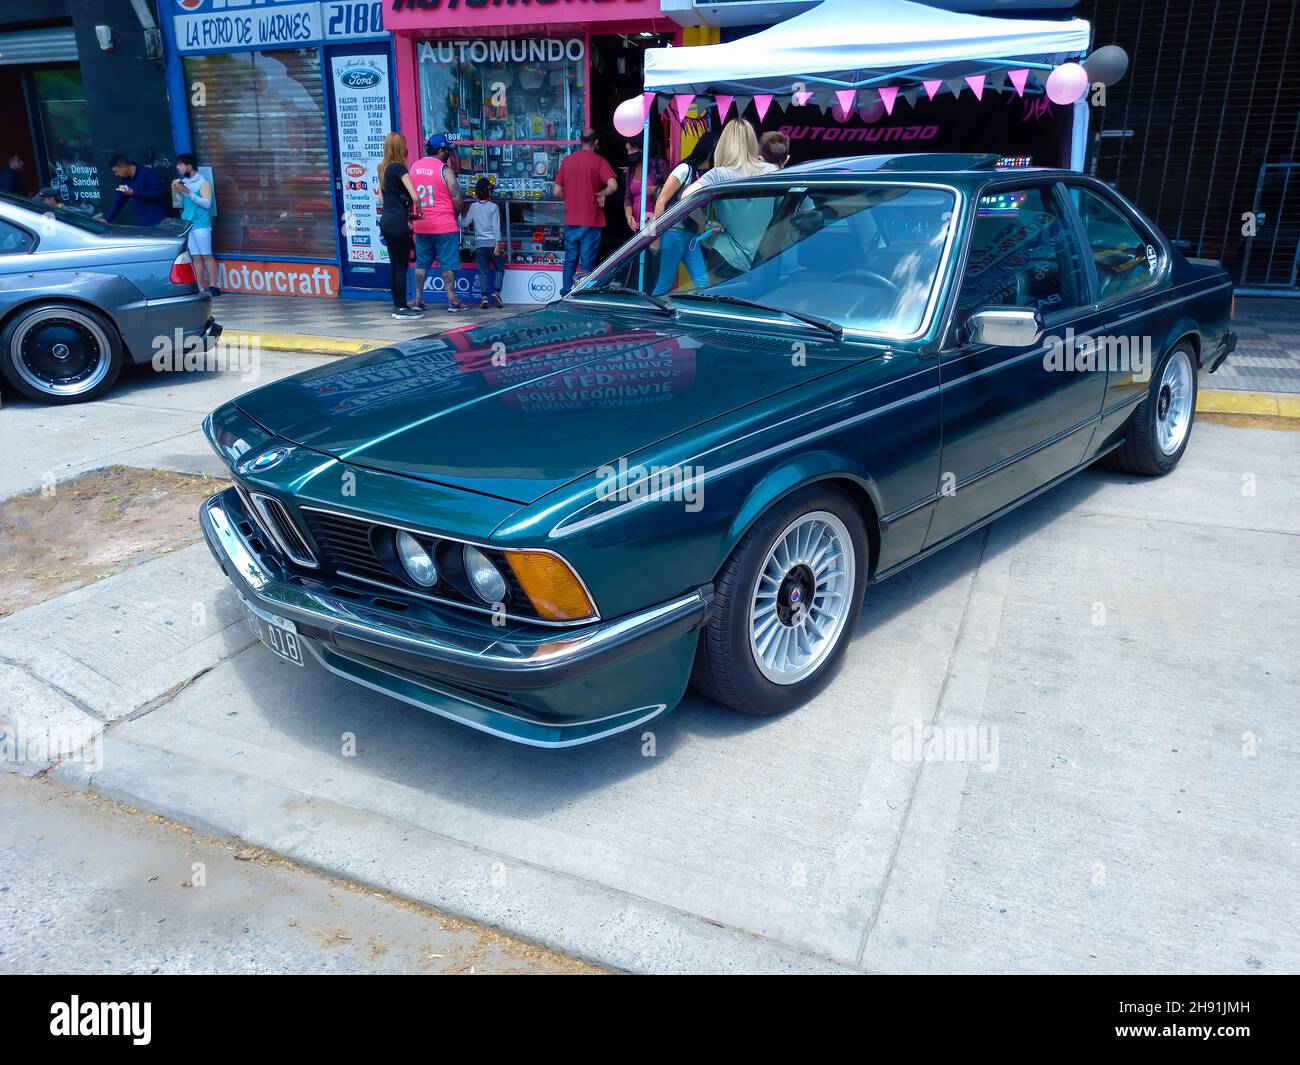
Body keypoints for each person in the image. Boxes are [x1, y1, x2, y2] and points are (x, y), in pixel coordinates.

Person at [681, 119, 778, 275]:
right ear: (752, 142)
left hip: (726, 256)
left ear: (724, 144)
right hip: (766, 257)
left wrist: (706, 223)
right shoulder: (771, 170)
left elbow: (686, 198)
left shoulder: (719, 174)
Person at [649, 130, 717, 296]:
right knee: (665, 284)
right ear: (710, 152)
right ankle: (649, 317)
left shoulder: (703, 174)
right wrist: (656, 237)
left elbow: (694, 209)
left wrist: (706, 225)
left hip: (690, 235)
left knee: (702, 284)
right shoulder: (685, 169)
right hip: (673, 234)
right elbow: (661, 200)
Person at [553, 128, 617, 296]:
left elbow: (556, 191)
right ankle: (583, 294)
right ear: (595, 142)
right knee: (587, 263)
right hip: (591, 220)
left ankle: (566, 294)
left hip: (571, 219)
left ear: (580, 141)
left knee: (570, 260)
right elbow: (613, 186)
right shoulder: (599, 161)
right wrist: (602, 193)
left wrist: (570, 199)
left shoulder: (567, 161)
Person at [408, 133, 466, 313]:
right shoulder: (445, 170)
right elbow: (457, 199)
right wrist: (455, 214)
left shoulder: (414, 167)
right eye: (447, 150)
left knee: (421, 263)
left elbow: (410, 195)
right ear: (441, 150)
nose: (449, 153)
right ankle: (452, 301)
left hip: (422, 224)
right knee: (447, 263)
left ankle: (418, 300)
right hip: (444, 225)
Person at [376, 132, 424, 320]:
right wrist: (418, 209)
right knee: (402, 265)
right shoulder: (399, 168)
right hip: (398, 221)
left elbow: (380, 199)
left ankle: (397, 305)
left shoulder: (383, 169)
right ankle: (402, 308)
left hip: (386, 220)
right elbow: (415, 195)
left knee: (394, 264)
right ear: (400, 147)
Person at [172, 154, 218, 294]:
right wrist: (177, 192)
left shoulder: (203, 182)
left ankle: (213, 285)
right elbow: (178, 204)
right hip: (188, 224)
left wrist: (189, 193)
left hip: (202, 224)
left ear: (189, 166)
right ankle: (200, 284)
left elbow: (207, 203)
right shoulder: (182, 182)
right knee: (196, 256)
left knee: (206, 255)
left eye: (180, 164)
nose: (178, 167)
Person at [461, 177, 504, 309]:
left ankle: (484, 297)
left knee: (482, 271)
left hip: (479, 244)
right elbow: (496, 227)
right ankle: (496, 292)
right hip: (492, 243)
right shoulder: (494, 207)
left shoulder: (473, 207)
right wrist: (497, 244)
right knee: (500, 269)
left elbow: (464, 223)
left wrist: (455, 215)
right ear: (489, 192)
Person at [104, 154, 168, 226]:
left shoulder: (146, 173)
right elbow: (119, 201)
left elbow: (158, 193)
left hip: (157, 221)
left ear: (124, 166)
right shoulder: (124, 181)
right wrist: (107, 219)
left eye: (116, 171)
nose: (116, 174)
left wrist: (134, 193)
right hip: (142, 223)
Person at [623, 138, 667, 234]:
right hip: (636, 223)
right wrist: (629, 216)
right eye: (627, 150)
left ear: (642, 148)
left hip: (655, 220)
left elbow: (672, 188)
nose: (629, 153)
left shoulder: (658, 165)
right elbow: (628, 198)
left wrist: (655, 189)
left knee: (652, 248)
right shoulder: (631, 170)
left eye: (631, 149)